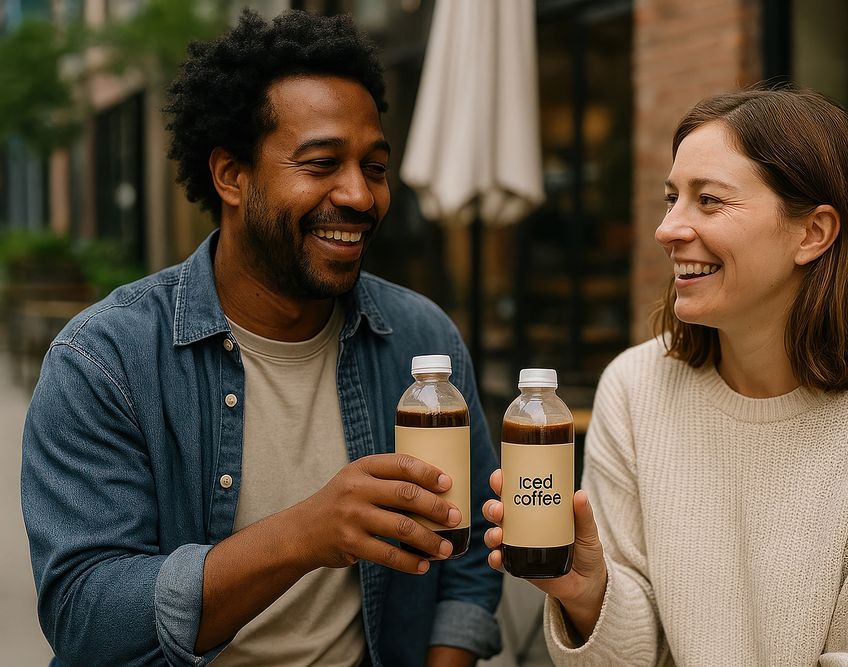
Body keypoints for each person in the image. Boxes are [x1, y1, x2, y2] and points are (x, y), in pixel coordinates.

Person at [21, 9, 501, 667]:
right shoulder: (104, 360)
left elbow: (468, 556)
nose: (360, 194)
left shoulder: (420, 337)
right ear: (231, 176)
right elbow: (86, 616)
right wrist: (304, 534)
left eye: (376, 166)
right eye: (322, 162)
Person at [483, 86, 848, 665]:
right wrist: (587, 591)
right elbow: (633, 653)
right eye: (671, 199)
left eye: (710, 201)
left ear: (813, 233)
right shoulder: (634, 387)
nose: (668, 229)